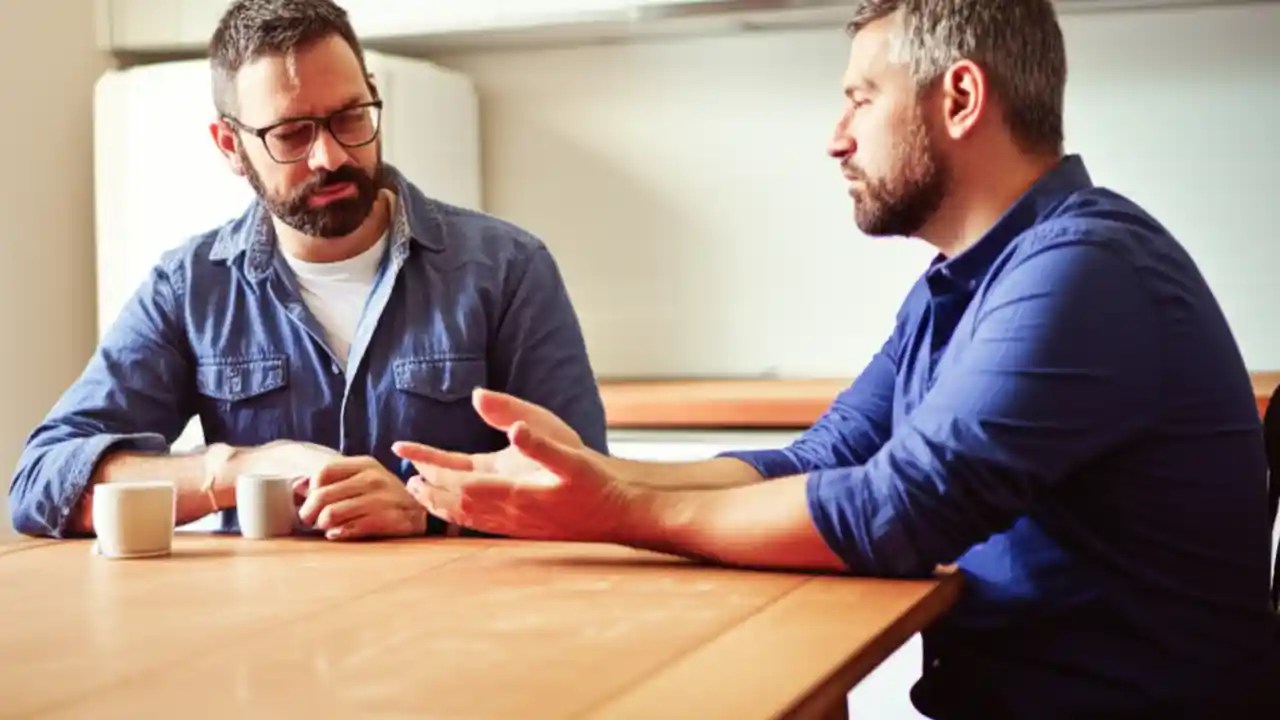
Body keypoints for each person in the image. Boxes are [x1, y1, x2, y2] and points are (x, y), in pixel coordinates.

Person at [393, 0, 1278, 717]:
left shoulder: (1084, 270)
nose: (836, 135)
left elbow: (899, 512)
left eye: (861, 97)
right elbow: (824, 457)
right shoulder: (965, 283)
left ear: (959, 98)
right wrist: (596, 474)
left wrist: (620, 510)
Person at [9, 0, 606, 542]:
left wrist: (430, 513)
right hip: (263, 636)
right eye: (291, 134)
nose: (331, 156)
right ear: (229, 147)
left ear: (374, 96)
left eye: (350, 117)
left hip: (460, 629)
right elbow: (42, 483)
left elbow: (592, 491)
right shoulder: (190, 289)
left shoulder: (507, 270)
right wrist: (237, 469)